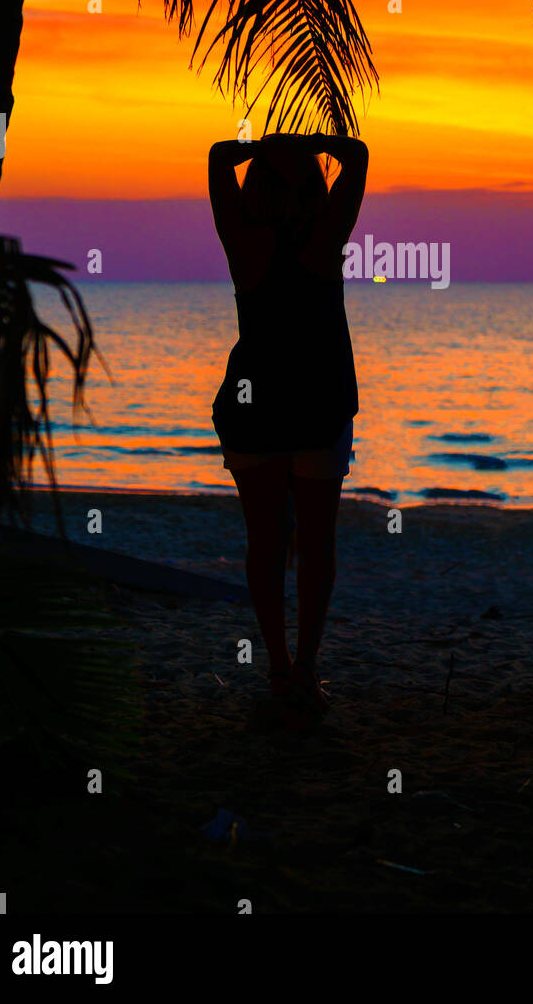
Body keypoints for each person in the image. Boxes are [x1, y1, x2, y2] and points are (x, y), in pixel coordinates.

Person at [209, 131, 367, 720]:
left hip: (255, 407)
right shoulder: (324, 241)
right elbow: (358, 156)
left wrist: (269, 146)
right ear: (314, 186)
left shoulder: (243, 243)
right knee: (315, 544)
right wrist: (309, 142)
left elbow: (218, 156)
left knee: (267, 542)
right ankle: (304, 667)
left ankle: (280, 666)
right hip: (318, 405)